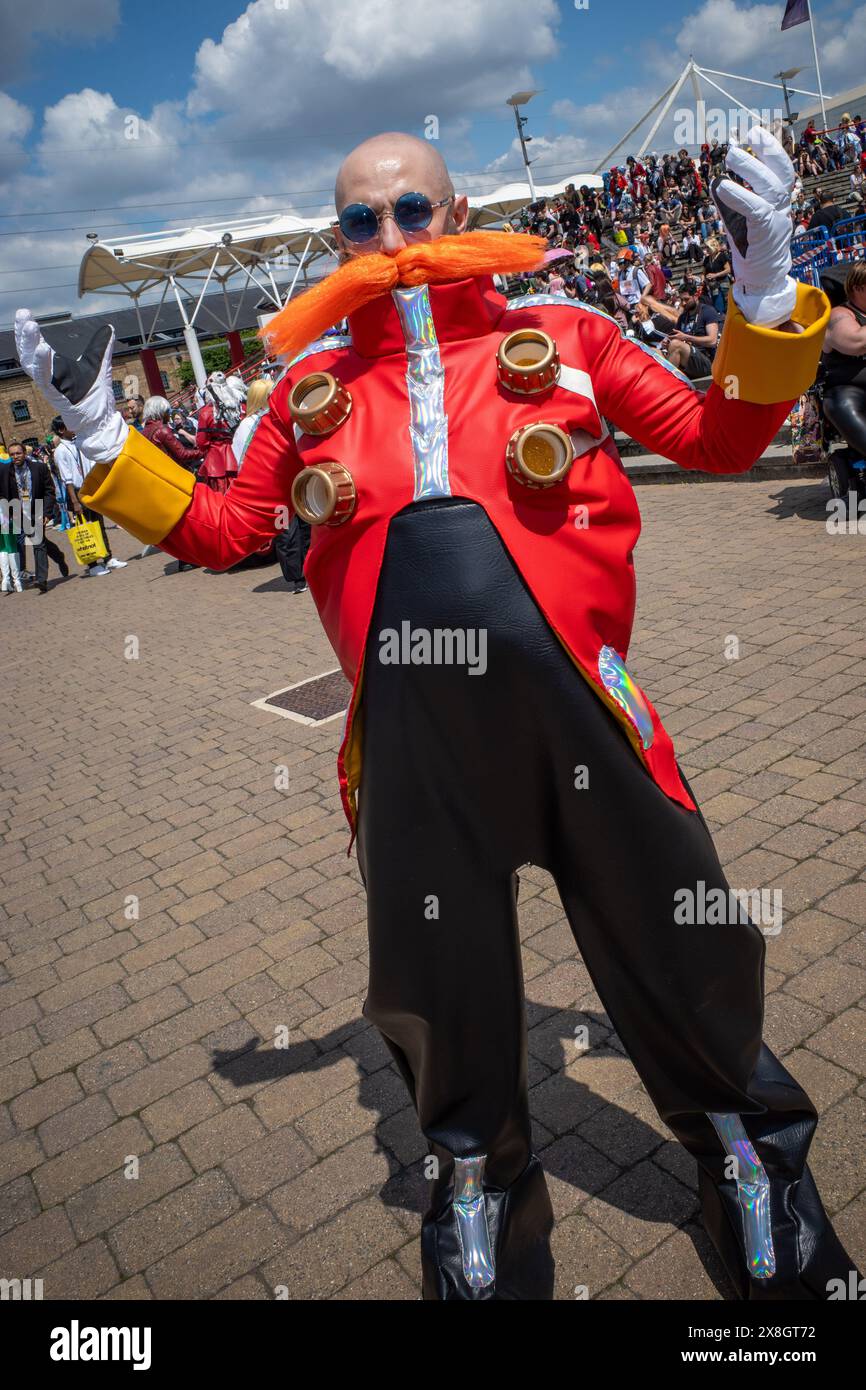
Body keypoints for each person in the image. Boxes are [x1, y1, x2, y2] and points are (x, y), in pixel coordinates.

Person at [15, 126, 856, 1304]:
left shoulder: (566, 337)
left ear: (455, 214)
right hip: (412, 754)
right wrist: (102, 432)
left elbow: (719, 437)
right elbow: (220, 531)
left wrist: (763, 296)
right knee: (440, 984)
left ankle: (746, 1155)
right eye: (361, 223)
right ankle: (476, 1183)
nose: (391, 242)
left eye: (411, 212)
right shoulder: (305, 399)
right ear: (336, 240)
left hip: (585, 724)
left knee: (680, 936)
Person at [52, 418, 126, 575]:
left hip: (90, 487)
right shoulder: (60, 451)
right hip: (77, 492)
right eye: (69, 425)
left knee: (98, 523)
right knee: (85, 528)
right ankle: (93, 565)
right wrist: (74, 501)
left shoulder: (80, 443)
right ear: (61, 430)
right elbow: (67, 479)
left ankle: (108, 557)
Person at [5, 441, 69, 593]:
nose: (15, 457)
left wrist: (48, 512)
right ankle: (59, 556)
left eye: (18, 453)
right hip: (20, 512)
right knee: (40, 541)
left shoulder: (38, 467)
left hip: (38, 508)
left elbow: (49, 490)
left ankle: (42, 580)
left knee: (38, 543)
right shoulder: (6, 472)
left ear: (24, 453)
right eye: (12, 454)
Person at [821, 261, 866, 460]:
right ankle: (853, 491)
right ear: (858, 288)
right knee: (841, 404)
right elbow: (856, 342)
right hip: (851, 390)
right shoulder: (839, 315)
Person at [196, 372, 246, 493]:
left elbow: (201, 442)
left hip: (216, 461)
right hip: (240, 454)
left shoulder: (206, 413)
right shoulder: (241, 407)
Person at [664, 285, 720, 379]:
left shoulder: (707, 311)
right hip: (688, 358)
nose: (683, 303)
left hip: (706, 360)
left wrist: (686, 337)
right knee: (655, 351)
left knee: (676, 345)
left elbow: (712, 341)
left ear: (696, 296)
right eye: (681, 300)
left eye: (686, 299)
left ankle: (668, 383)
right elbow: (677, 338)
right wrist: (667, 343)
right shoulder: (683, 317)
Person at [231, 377, 274, 469]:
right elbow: (242, 458)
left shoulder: (272, 416)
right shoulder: (248, 423)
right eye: (271, 394)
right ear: (262, 399)